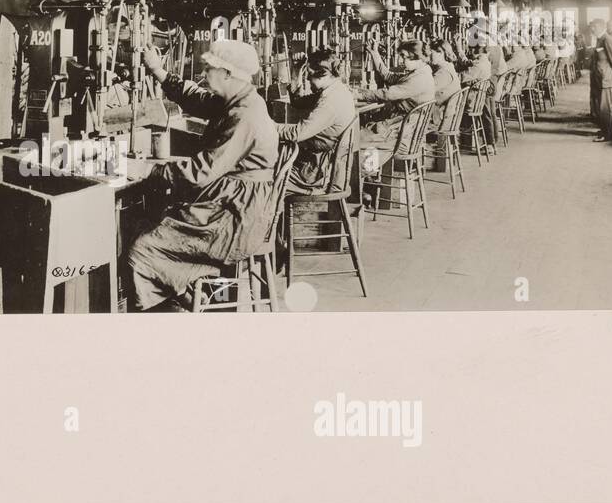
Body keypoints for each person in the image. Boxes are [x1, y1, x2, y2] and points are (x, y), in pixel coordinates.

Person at [127, 38, 279, 312]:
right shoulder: (238, 100)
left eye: (209, 69)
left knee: (142, 249)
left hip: (234, 219)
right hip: (231, 206)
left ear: (228, 74)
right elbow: (196, 99)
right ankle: (183, 299)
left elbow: (200, 172)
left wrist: (148, 170)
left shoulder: (244, 115)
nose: (203, 74)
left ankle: (170, 314)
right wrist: (157, 70)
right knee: (150, 221)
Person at [277, 49, 356, 194]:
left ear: (323, 74)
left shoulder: (330, 102)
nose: (307, 80)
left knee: (261, 175)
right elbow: (298, 103)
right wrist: (296, 70)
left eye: (309, 76)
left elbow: (296, 134)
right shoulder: (335, 90)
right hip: (319, 164)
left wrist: (264, 126)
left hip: (315, 173)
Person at [354, 39, 435, 171]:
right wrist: (375, 53)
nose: (402, 61)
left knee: (358, 139)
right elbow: (389, 76)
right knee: (365, 133)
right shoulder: (419, 72)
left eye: (404, 57)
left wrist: (359, 94)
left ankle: (360, 176)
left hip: (404, 134)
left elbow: (388, 94)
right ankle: (365, 175)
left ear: (416, 56)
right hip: (405, 127)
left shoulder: (419, 79)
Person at [591, 19, 612, 142]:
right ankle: (606, 130)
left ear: (600, 26)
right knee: (602, 106)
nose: (592, 29)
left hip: (607, 78)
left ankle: (608, 134)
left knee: (606, 107)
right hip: (601, 78)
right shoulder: (600, 39)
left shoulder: (607, 39)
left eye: (593, 27)